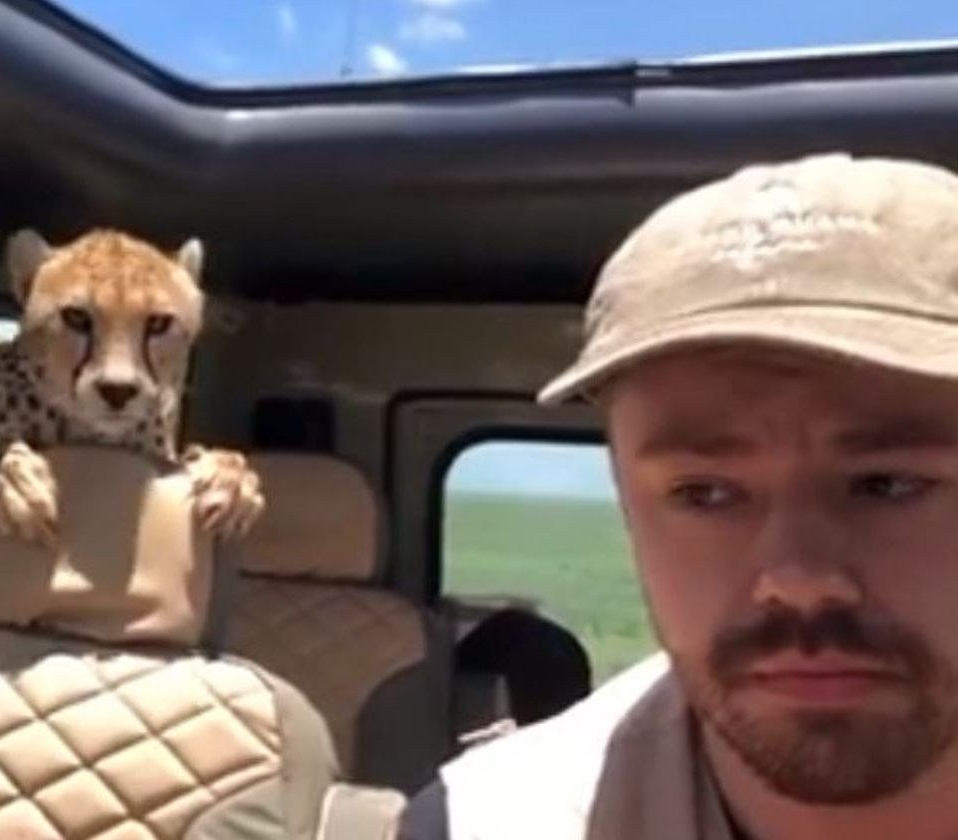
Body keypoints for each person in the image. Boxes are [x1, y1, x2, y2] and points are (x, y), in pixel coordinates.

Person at [398, 152, 958, 840]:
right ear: (628, 510)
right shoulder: (494, 824)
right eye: (706, 493)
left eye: (889, 485)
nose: (799, 581)